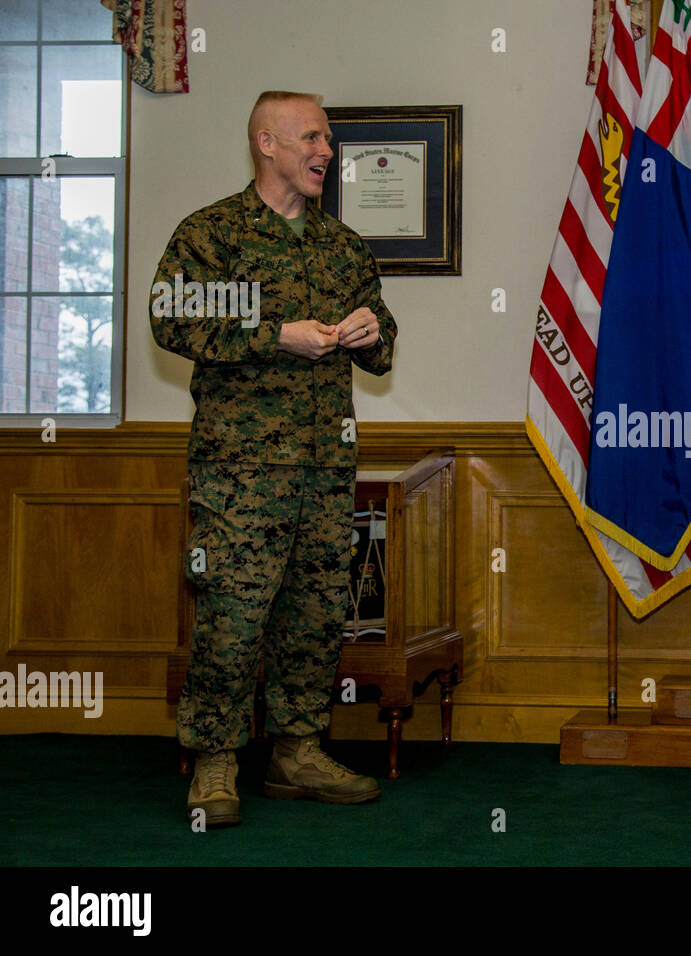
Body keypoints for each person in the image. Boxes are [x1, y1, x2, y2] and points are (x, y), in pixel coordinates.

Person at [151, 90, 397, 827]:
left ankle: (297, 750)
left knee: (317, 614)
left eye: (327, 140)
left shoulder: (342, 247)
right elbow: (171, 316)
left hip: (326, 470)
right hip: (240, 473)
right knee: (232, 614)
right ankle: (216, 758)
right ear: (268, 141)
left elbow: (383, 338)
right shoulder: (212, 234)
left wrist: (368, 328)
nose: (326, 151)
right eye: (313, 138)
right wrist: (273, 335)